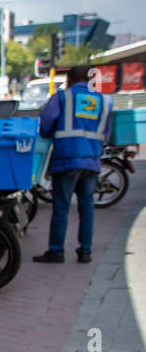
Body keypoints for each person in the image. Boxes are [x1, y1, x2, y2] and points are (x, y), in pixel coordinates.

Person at [35, 64, 112, 264]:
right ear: (90, 80)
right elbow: (106, 133)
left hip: (67, 159)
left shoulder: (63, 97)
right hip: (92, 161)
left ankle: (56, 251)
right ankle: (85, 252)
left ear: (69, 79)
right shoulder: (105, 101)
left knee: (61, 206)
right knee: (87, 208)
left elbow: (45, 125)